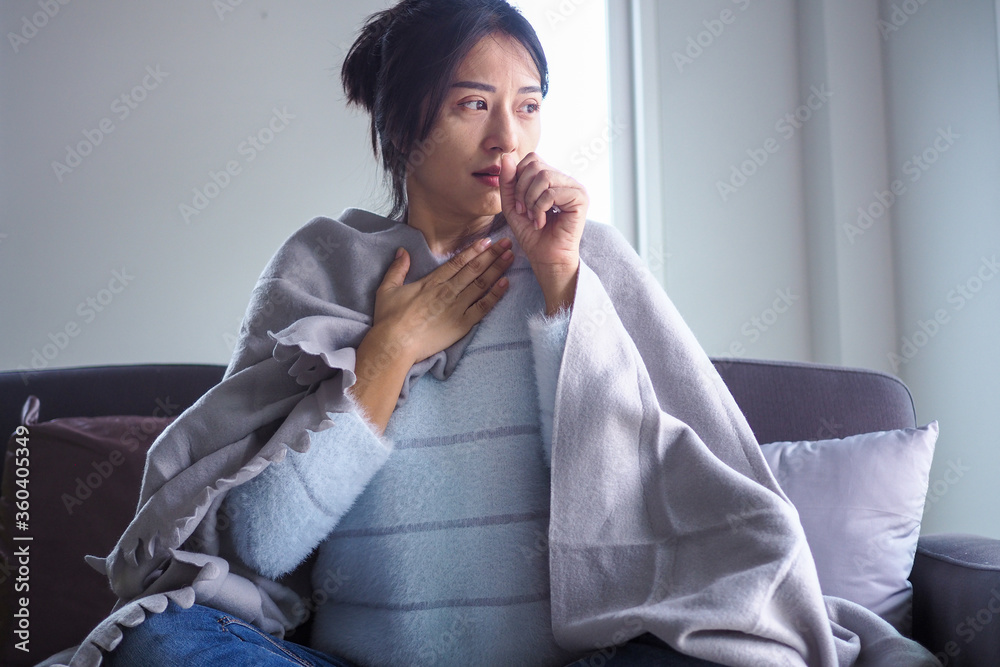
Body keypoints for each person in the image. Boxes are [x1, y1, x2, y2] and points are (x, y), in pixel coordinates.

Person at [67, 1, 939, 666]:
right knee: (163, 644)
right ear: (404, 120)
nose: (507, 137)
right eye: (472, 104)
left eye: (528, 105)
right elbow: (259, 546)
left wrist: (563, 297)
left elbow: (651, 504)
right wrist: (388, 354)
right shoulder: (322, 266)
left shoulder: (585, 257)